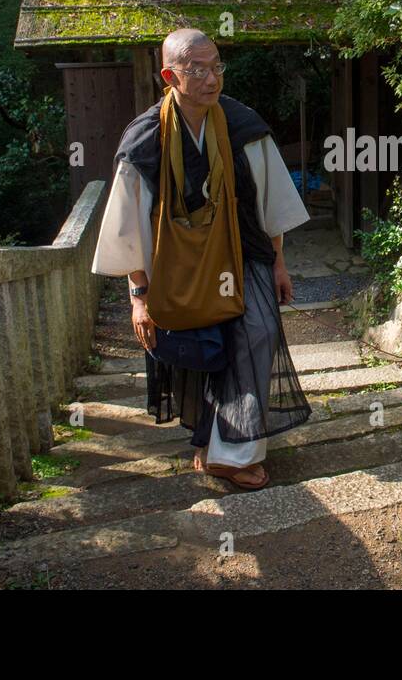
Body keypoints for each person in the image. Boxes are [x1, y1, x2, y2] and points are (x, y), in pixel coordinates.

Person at [90, 28, 312, 490]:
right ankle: (209, 439)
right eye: (198, 69)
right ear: (170, 76)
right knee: (200, 348)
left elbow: (271, 202)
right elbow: (128, 223)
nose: (212, 79)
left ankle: (233, 452)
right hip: (177, 265)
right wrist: (139, 297)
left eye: (216, 67)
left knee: (256, 333)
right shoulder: (146, 136)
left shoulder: (242, 124)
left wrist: (278, 263)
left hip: (243, 252)